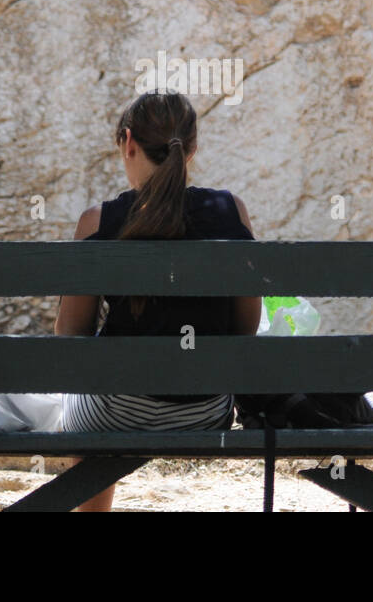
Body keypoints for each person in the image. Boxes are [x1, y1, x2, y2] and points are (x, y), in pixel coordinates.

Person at [53, 89, 261, 512]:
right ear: (193, 148)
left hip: (114, 412)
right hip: (206, 409)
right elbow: (246, 327)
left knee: (82, 396)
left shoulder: (99, 221)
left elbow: (70, 335)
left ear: (128, 143)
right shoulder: (231, 211)